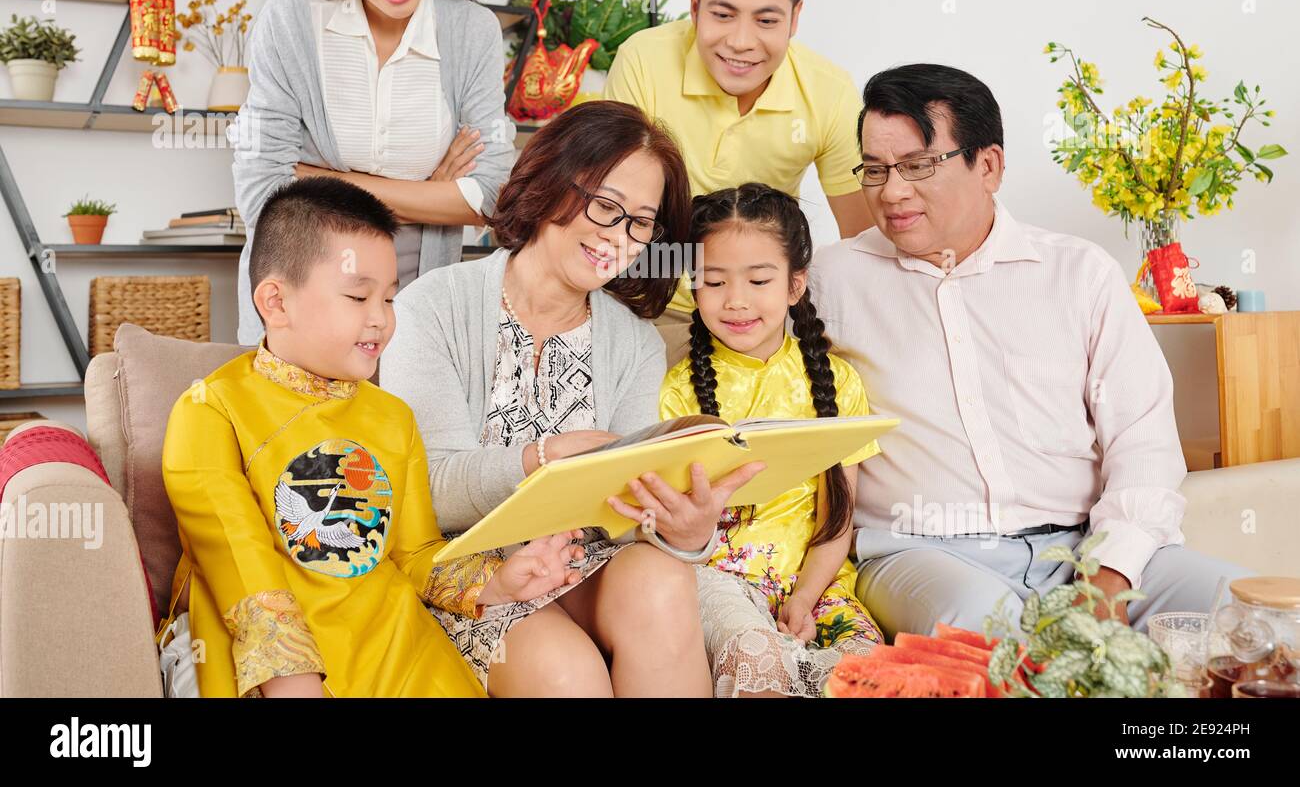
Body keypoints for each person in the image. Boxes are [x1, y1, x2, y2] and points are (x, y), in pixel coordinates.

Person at [808, 63, 1252, 639]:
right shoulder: (827, 281)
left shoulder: (1078, 272)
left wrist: (1109, 575)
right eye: (874, 170)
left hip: (1082, 547)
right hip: (919, 553)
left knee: (1259, 616)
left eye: (917, 166)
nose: (891, 192)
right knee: (987, 630)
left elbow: (1144, 443)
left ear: (987, 165)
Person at [381, 101, 765, 696]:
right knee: (567, 673)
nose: (620, 238)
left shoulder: (632, 342)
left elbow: (630, 514)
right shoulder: (429, 309)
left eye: (641, 222)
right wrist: (544, 457)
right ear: (551, 183)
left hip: (586, 561)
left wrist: (684, 527)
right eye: (606, 207)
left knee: (662, 580)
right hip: (472, 570)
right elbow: (427, 489)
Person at [161, 176, 583, 697]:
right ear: (275, 302)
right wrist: (294, 682)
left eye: (388, 298)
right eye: (358, 295)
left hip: (396, 646)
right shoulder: (211, 409)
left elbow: (414, 555)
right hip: (272, 660)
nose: (380, 319)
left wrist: (497, 581)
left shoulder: (392, 418)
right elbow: (239, 562)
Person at [231, 0, 514, 346]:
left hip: (419, 315)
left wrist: (323, 176)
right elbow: (262, 193)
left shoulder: (472, 31)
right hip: (301, 312)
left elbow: (493, 197)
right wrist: (430, 191)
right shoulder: (290, 21)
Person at [604, 0, 872, 364]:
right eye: (723, 14)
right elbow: (611, 219)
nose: (741, 42)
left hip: (762, 315)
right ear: (694, 7)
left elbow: (861, 241)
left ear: (795, 16)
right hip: (651, 304)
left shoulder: (828, 91)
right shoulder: (643, 62)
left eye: (766, 20)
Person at [656, 183, 883, 697]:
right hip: (715, 582)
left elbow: (837, 518)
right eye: (713, 282)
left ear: (794, 285)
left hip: (816, 580)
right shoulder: (676, 392)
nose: (735, 301)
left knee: (867, 674)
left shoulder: (838, 382)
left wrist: (804, 597)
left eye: (759, 280)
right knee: (757, 657)